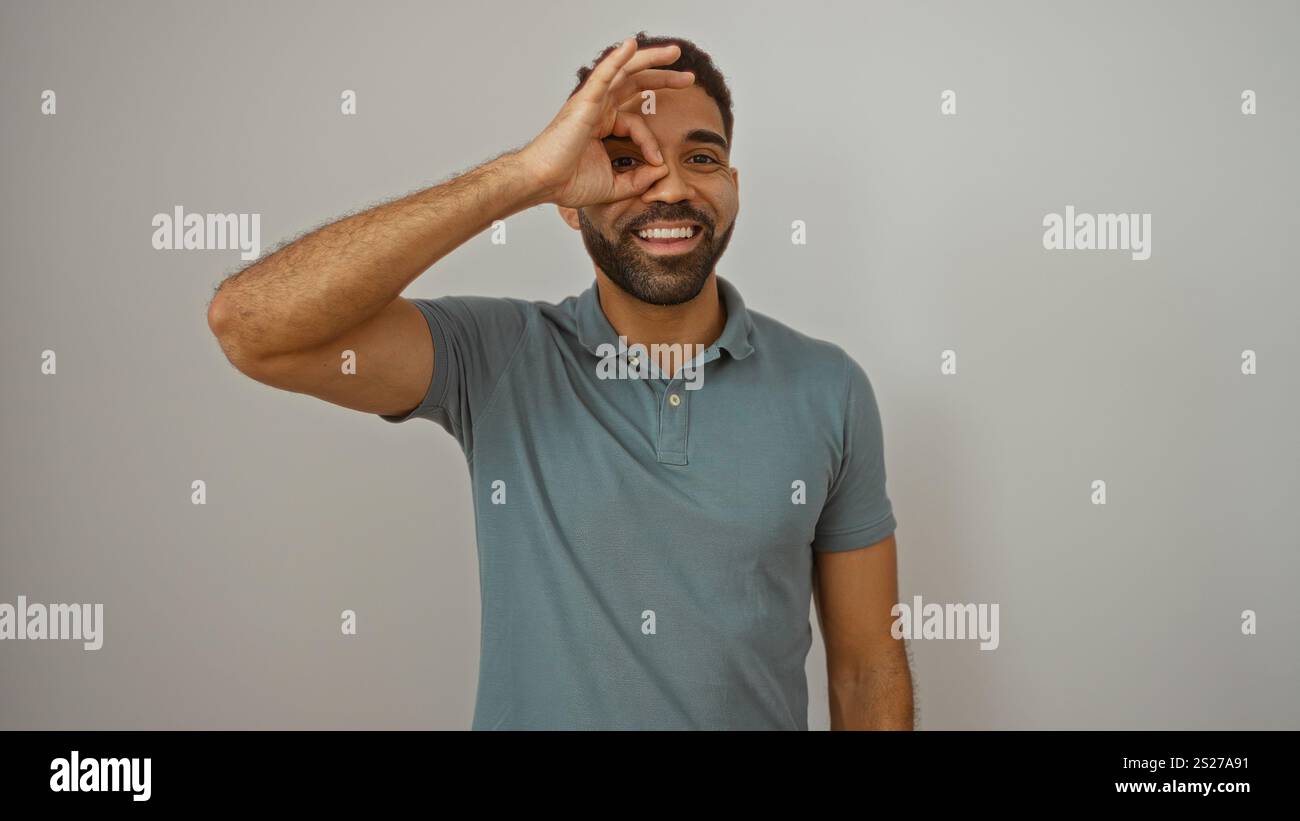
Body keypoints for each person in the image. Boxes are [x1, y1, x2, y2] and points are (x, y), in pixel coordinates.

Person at [206, 32, 912, 730]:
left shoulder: (830, 388)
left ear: (733, 187)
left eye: (702, 157)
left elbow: (866, 666)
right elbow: (251, 325)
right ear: (568, 197)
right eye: (626, 159)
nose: (669, 185)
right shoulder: (497, 355)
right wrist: (523, 175)